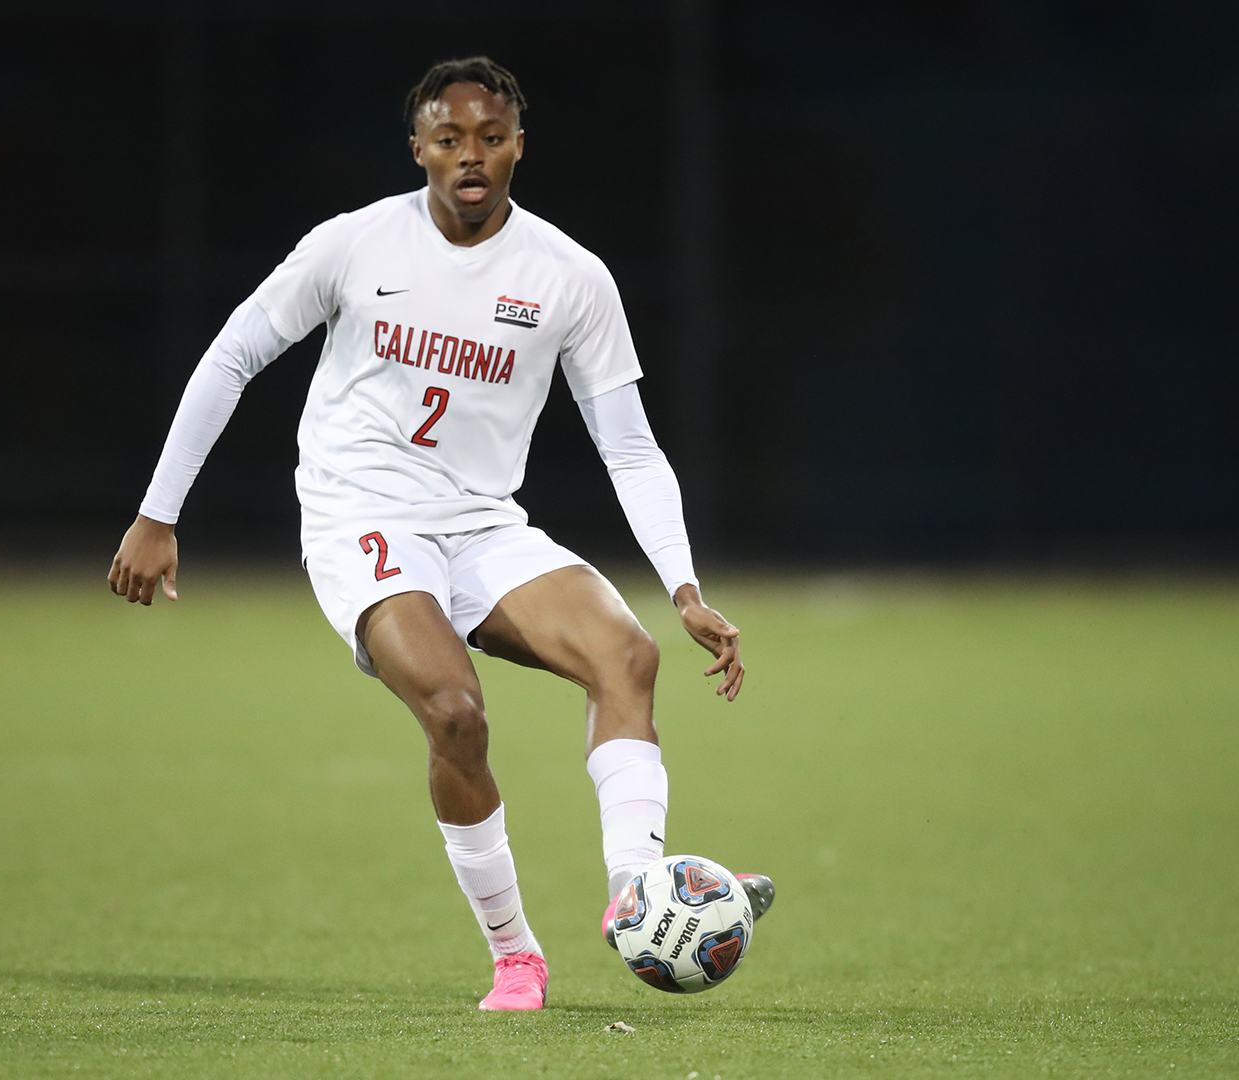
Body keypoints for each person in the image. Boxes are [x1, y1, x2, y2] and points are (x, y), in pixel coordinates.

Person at [108, 56, 771, 1011]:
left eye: (491, 138)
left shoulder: (569, 277)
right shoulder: (354, 245)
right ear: (418, 146)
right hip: (363, 515)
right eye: (450, 138)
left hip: (484, 523)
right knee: (456, 714)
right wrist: (157, 513)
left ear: (518, 148)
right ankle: (515, 955)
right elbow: (233, 356)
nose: (471, 157)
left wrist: (685, 587)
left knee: (627, 655)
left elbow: (630, 445)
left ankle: (640, 898)